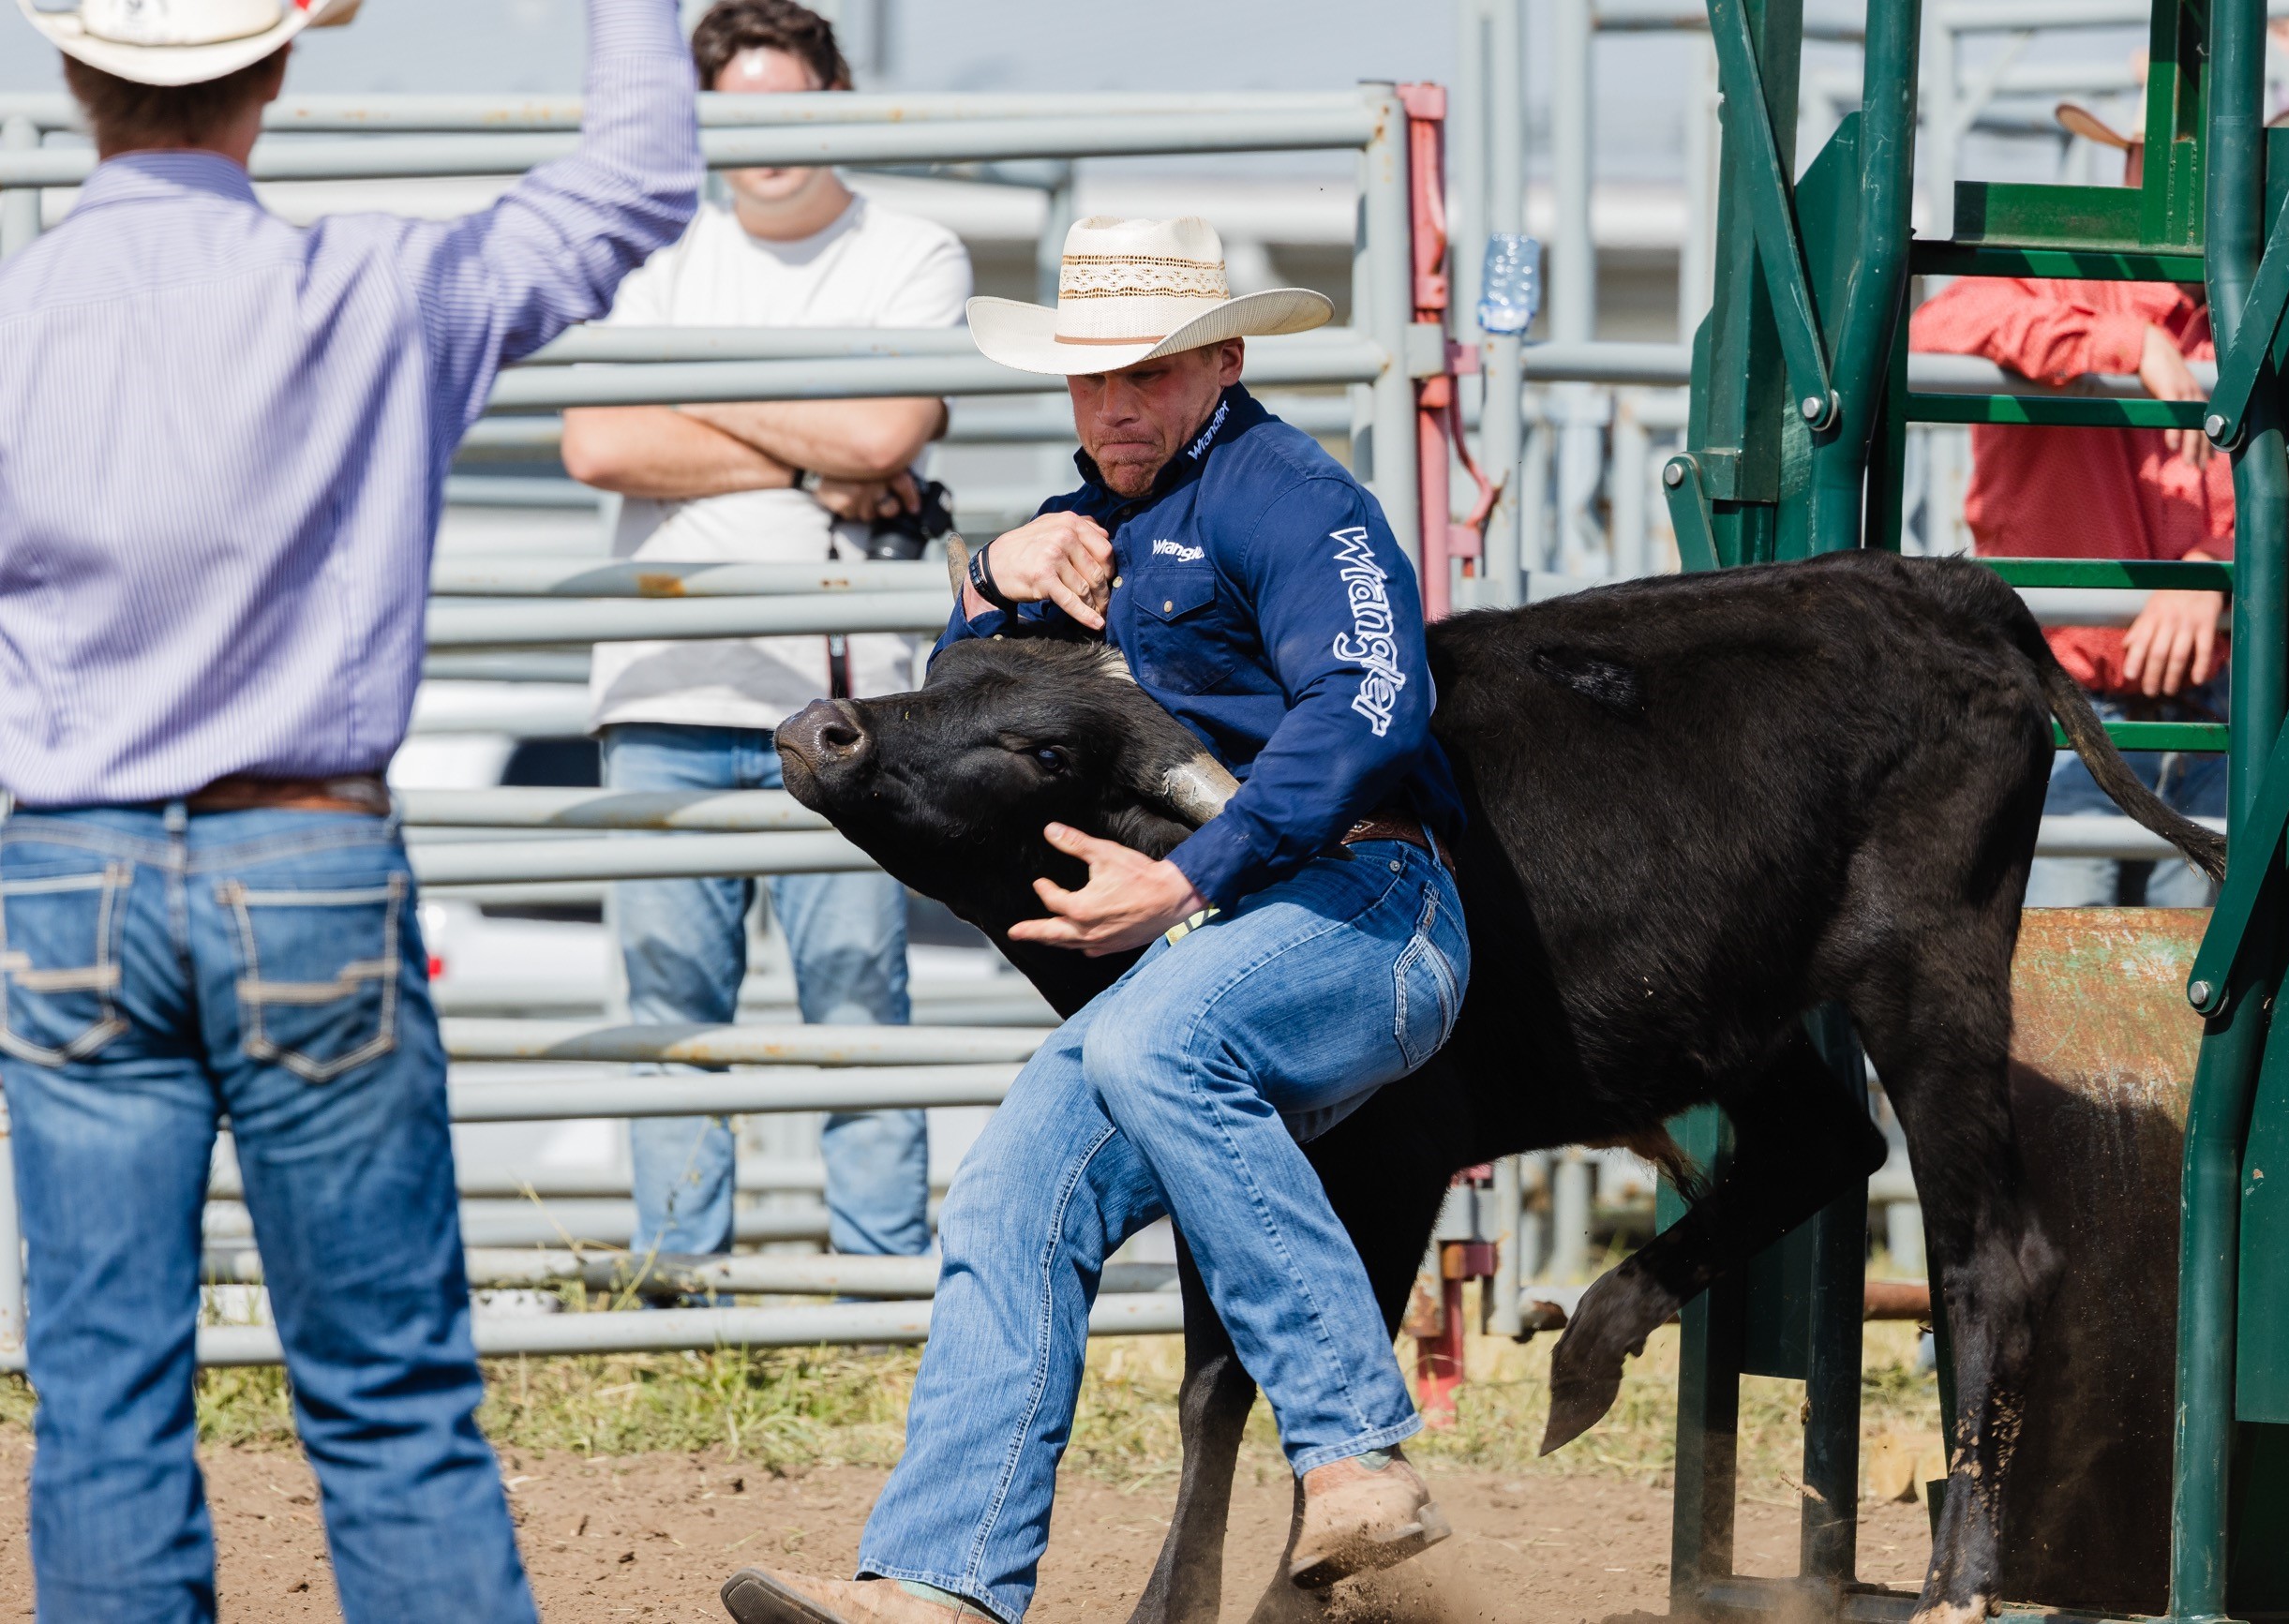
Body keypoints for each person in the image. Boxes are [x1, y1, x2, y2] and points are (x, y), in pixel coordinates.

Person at [0, 1, 697, 1618]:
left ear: (73, 72)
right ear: (276, 69)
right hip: (304, 852)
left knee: (103, 1397)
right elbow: (637, 181)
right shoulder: (378, 288)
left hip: (69, 861)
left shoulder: (19, 314)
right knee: (386, 1395)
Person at [718, 216, 1473, 1624]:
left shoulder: (1298, 502)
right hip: (1221, 946)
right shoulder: (1081, 530)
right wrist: (985, 579)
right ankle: (942, 1585)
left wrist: (1190, 874)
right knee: (1014, 1186)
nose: (1114, 404)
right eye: (1088, 379)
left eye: (1148, 372)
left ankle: (1354, 1447)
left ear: (1223, 360)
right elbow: (971, 720)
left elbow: (1375, 709)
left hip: (1373, 907)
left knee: (1149, 1048)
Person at [562, 0, 970, 1264]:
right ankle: (686, 1300)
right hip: (665, 692)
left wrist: (689, 379)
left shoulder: (915, 246)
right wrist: (808, 452)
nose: (766, 138)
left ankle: (877, 1299)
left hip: (848, 706)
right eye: (733, 113)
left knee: (858, 1002)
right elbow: (598, 442)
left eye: (788, 103)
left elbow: (881, 438)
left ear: (835, 94)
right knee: (674, 1012)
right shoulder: (652, 251)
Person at [1911, 105, 2231, 908]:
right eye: (2171, 172)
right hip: (2063, 707)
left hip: (2213, 712)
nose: (2202, 196)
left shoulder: (2252, 310)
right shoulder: (2056, 276)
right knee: (2059, 959)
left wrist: (2218, 572)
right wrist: (2124, 348)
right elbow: (1938, 329)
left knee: (2191, 992)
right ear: (2131, 175)